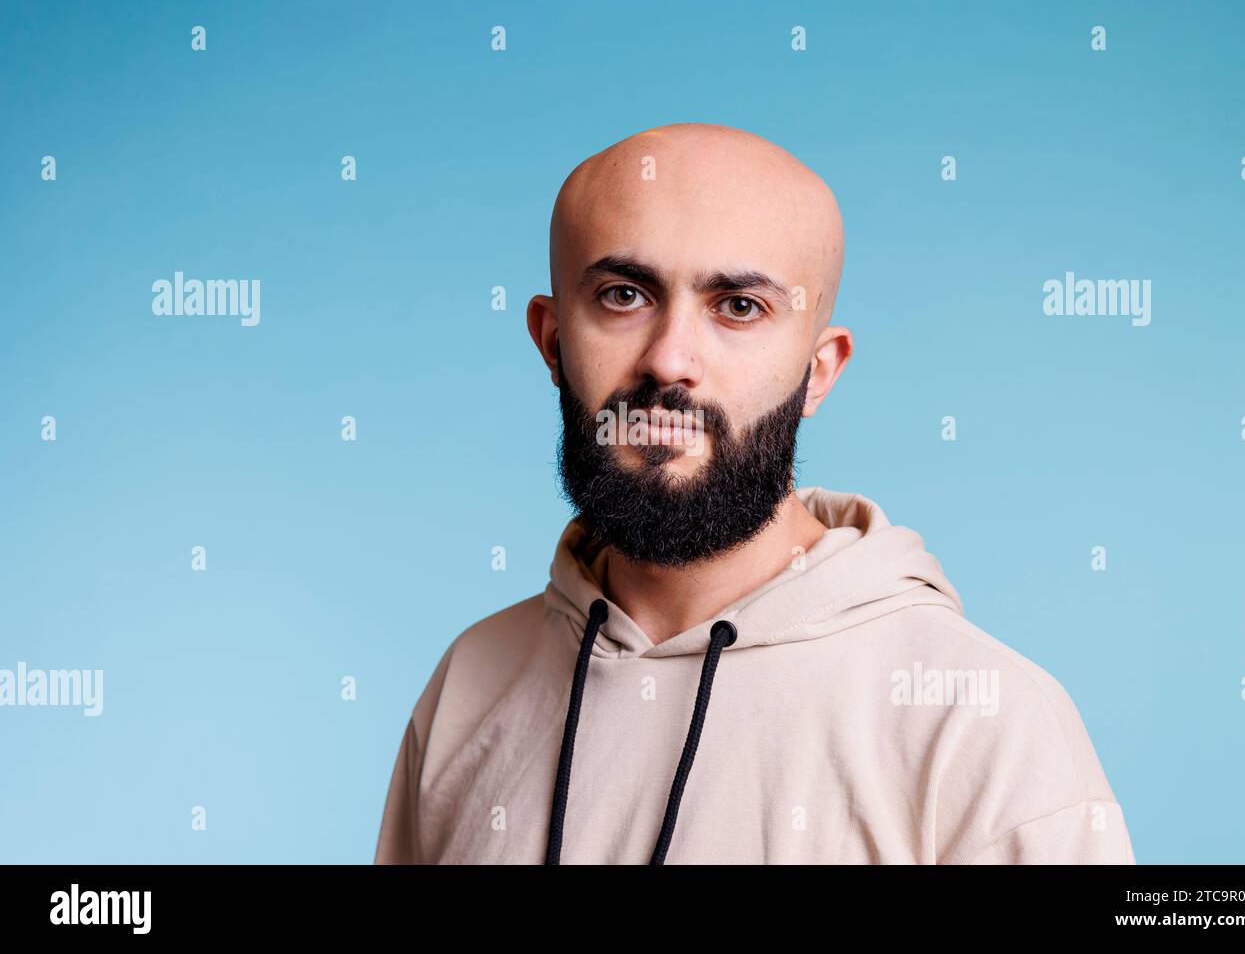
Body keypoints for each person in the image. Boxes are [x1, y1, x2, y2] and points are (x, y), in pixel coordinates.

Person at [374, 123, 1136, 864]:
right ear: (551, 341)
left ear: (820, 370)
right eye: (622, 295)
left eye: (739, 307)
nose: (670, 361)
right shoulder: (469, 685)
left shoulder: (981, 725)